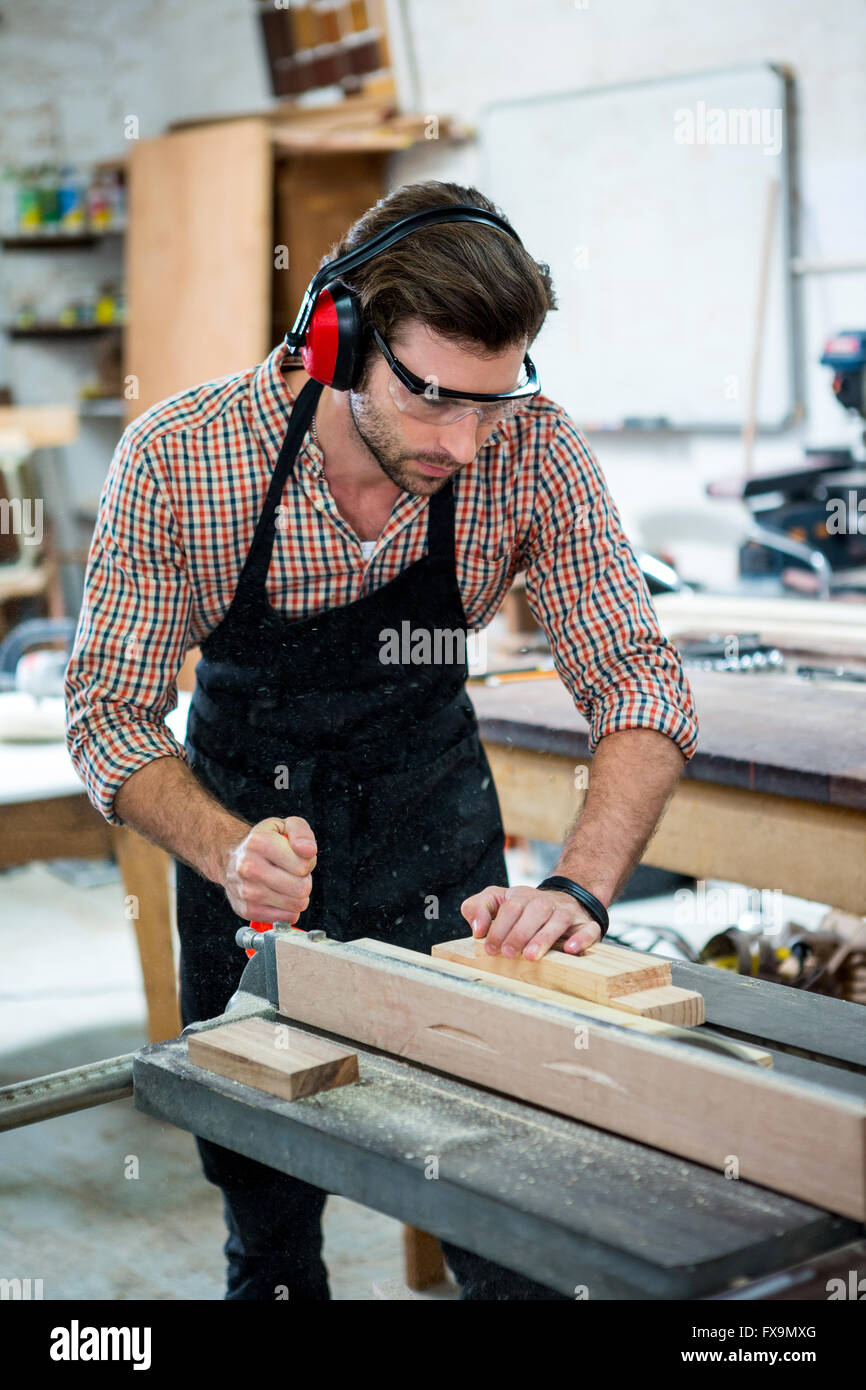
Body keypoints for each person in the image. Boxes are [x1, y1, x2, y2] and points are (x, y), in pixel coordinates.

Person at [66, 180, 698, 1300]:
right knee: (266, 1211)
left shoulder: (530, 451)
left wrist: (582, 889)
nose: (462, 439)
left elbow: (637, 679)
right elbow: (108, 710)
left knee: (499, 1197)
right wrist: (224, 851)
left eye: (490, 402)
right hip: (249, 850)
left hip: (430, 825)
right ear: (336, 336)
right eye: (430, 399)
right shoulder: (183, 456)